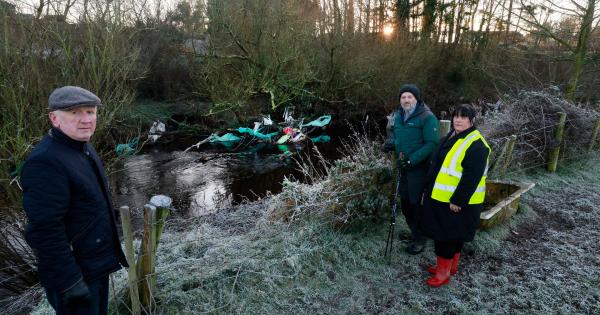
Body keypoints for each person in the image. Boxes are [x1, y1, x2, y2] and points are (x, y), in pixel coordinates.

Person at [21, 86, 128, 314]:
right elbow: (44, 230)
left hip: (94, 267)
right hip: (75, 277)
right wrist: (70, 282)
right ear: (54, 118)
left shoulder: (84, 148)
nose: (86, 119)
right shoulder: (46, 162)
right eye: (75, 113)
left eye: (90, 112)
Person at [419, 104, 491, 287]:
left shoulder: (477, 144)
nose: (458, 120)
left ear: (472, 120)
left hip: (456, 201)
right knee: (453, 235)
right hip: (442, 197)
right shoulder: (454, 136)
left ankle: (443, 273)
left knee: (446, 236)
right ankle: (450, 267)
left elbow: (472, 177)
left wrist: (458, 200)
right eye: (456, 116)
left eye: (463, 117)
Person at [383, 84, 439, 254]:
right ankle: (415, 233)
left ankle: (420, 239)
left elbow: (431, 144)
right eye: (403, 97)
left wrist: (412, 161)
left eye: (410, 97)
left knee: (416, 203)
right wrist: (391, 144)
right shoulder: (399, 116)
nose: (406, 100)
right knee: (405, 202)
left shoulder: (427, 118)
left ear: (416, 99)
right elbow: (400, 138)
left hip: (419, 168)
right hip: (403, 167)